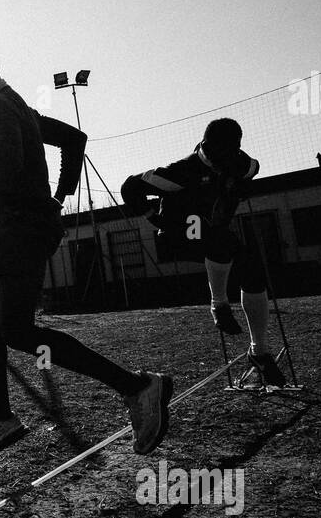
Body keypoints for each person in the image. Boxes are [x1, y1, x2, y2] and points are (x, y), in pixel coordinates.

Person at [0, 43, 173, 462]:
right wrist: (60, 195)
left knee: (15, 330)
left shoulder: (1, 107)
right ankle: (2, 417)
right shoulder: (14, 107)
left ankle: (136, 386)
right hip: (9, 229)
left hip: (23, 228)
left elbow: (8, 160)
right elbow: (75, 139)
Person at [120, 117, 286, 386]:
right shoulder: (182, 172)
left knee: (252, 268)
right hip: (179, 233)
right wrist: (152, 217)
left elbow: (254, 168)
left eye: (232, 153)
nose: (225, 161)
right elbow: (130, 186)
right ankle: (218, 305)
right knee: (219, 238)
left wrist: (240, 189)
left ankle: (259, 352)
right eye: (221, 155)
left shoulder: (242, 164)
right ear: (207, 147)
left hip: (216, 236)